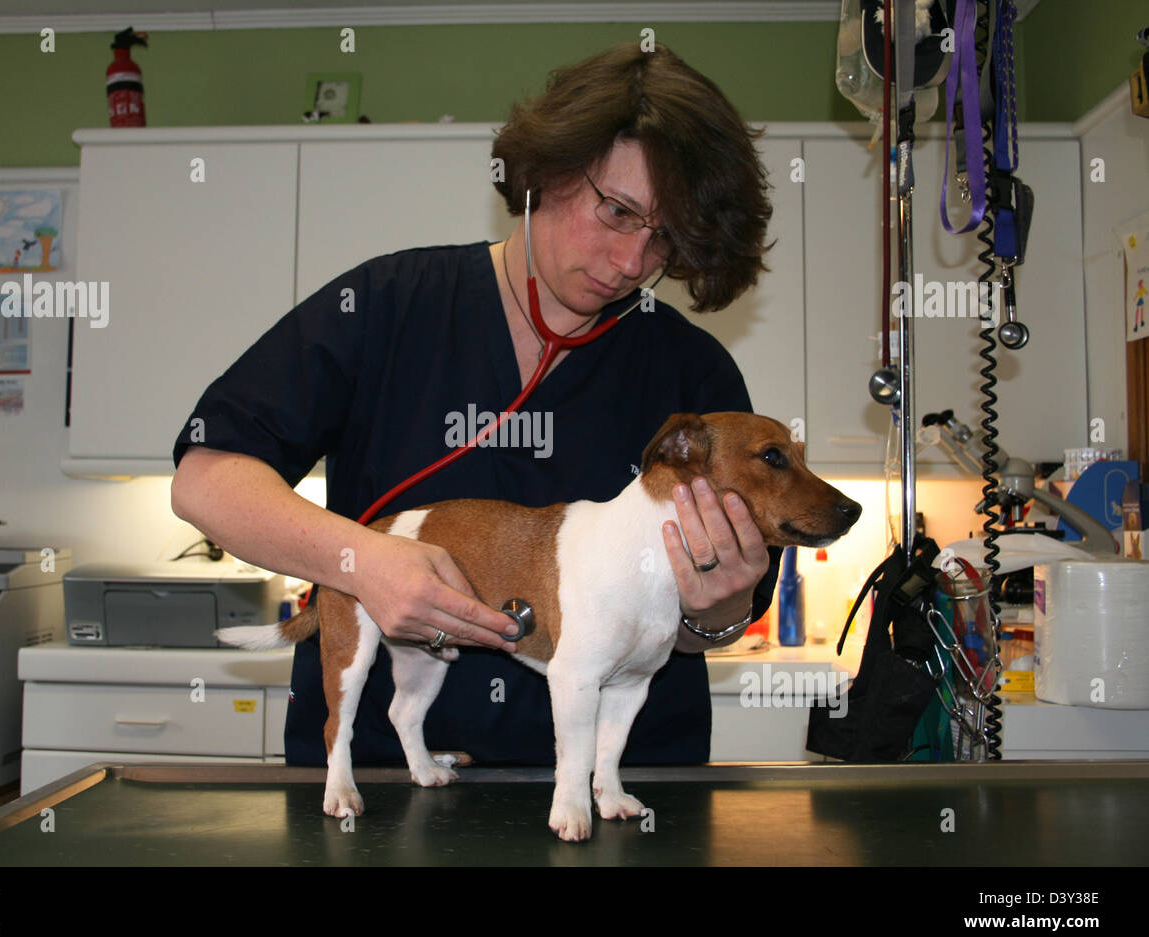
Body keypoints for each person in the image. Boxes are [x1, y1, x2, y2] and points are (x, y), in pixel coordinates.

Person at [171, 42, 782, 767]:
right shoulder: (384, 308)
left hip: (623, 784)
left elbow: (705, 626)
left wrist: (714, 611)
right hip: (382, 776)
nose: (631, 266)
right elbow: (206, 477)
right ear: (547, 172)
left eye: (666, 242)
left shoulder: (691, 374)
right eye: (617, 212)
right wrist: (363, 559)